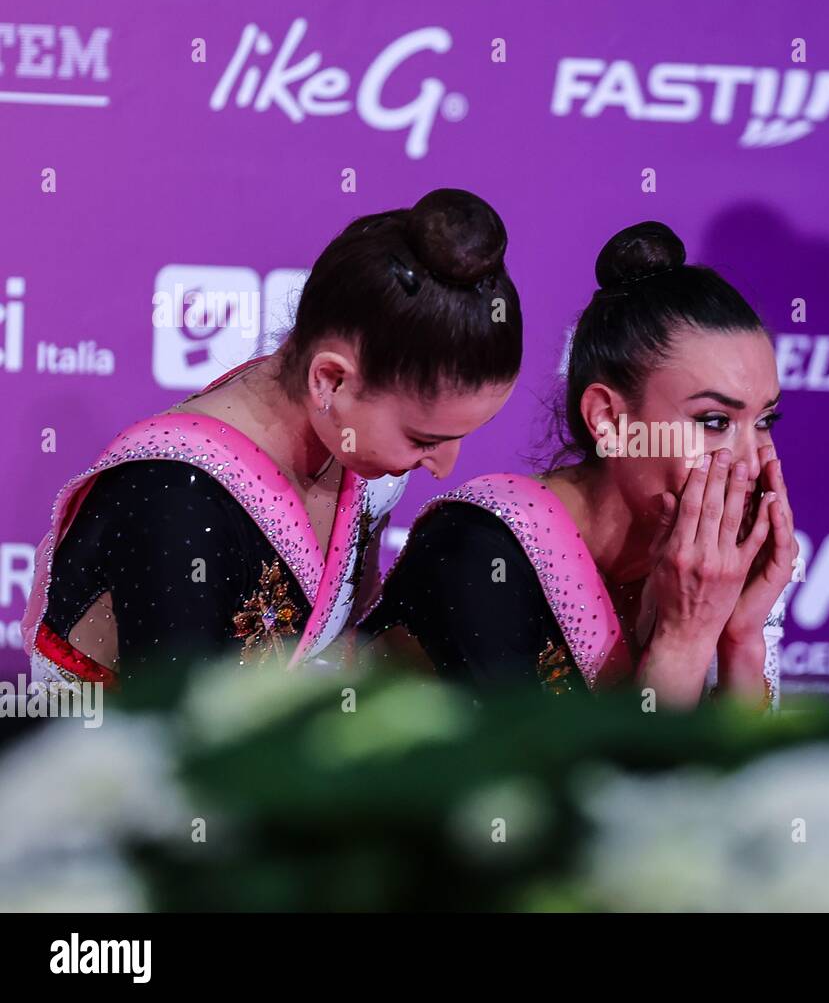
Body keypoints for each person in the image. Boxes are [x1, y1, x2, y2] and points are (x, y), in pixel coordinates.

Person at [21, 188, 522, 689]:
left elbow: (347, 656)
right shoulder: (173, 501)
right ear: (330, 380)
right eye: (423, 439)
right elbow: (180, 747)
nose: (444, 467)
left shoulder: (359, 452)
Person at [362, 220, 795, 710]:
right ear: (609, 420)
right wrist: (683, 642)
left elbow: (750, 783)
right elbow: (576, 788)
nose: (752, 461)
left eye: (765, 420)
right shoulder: (480, 551)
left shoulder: (720, 567)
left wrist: (740, 640)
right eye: (715, 421)